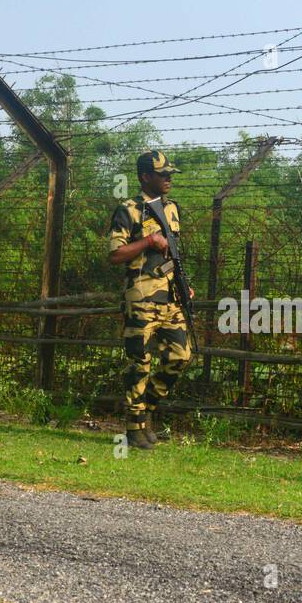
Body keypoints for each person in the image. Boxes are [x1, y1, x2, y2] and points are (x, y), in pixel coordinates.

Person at [107, 151, 192, 450]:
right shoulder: (129, 210)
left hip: (169, 298)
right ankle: (133, 427)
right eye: (162, 174)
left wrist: (183, 284)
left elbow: (172, 255)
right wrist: (146, 241)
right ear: (145, 177)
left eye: (170, 173)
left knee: (180, 357)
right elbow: (115, 254)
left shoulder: (172, 210)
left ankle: (148, 411)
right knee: (139, 363)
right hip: (141, 298)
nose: (168, 178)